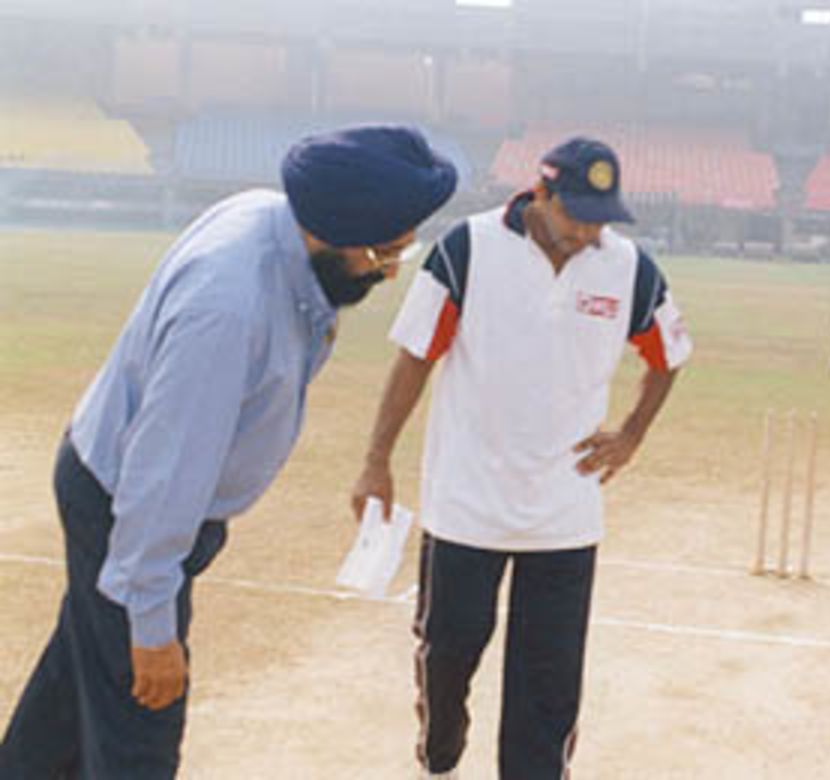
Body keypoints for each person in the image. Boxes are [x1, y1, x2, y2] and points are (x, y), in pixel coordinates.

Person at [0, 125, 457, 778]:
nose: (386, 273)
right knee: (140, 726)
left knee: (74, 688)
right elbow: (162, 477)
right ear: (337, 233)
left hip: (124, 487)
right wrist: (151, 625)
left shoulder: (272, 224)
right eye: (383, 256)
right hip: (127, 511)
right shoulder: (228, 310)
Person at [351, 137, 692, 779]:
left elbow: (668, 355)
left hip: (566, 511)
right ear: (540, 194)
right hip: (465, 502)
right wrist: (376, 460)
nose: (591, 231)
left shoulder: (629, 268)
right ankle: (441, 757)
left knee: (549, 683)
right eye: (577, 214)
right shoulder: (467, 249)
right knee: (448, 654)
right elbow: (415, 356)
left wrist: (631, 434)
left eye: (602, 217)